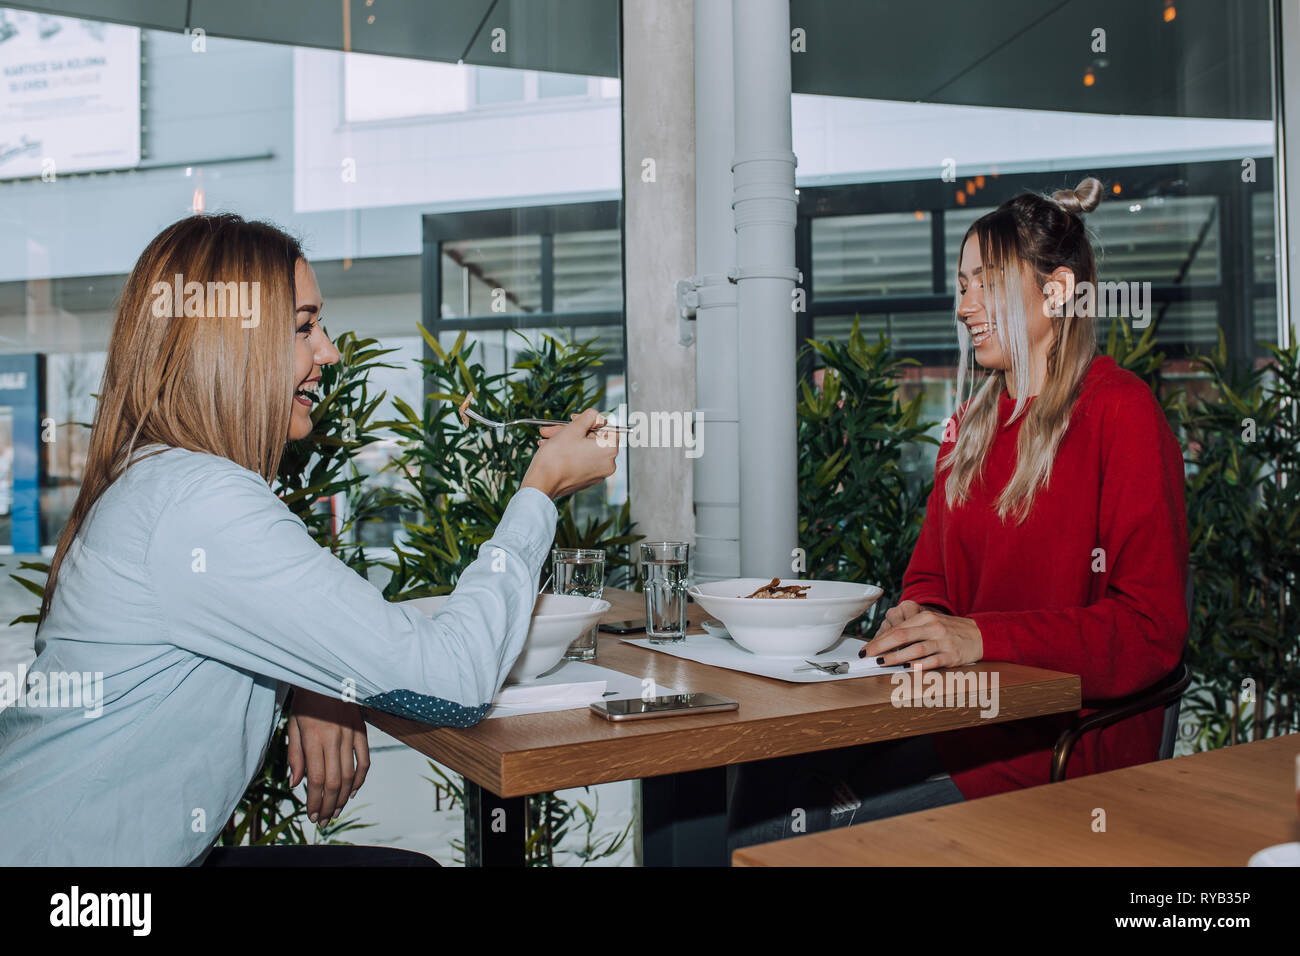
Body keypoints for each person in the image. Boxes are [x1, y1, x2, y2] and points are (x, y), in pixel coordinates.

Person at [0, 214, 618, 866]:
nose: (327, 352)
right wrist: (538, 493)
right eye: (303, 328)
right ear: (227, 344)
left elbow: (251, 613)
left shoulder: (158, 477)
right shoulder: (202, 503)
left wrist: (318, 681)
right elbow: (453, 682)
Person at [728, 177, 1188, 850]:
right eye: (963, 285)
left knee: (820, 823)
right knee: (768, 788)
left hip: (1056, 753)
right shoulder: (971, 426)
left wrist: (980, 637)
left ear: (1056, 290)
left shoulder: (1121, 413)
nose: (965, 304)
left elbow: (1151, 632)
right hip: (958, 719)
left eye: (985, 282)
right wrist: (922, 615)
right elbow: (930, 579)